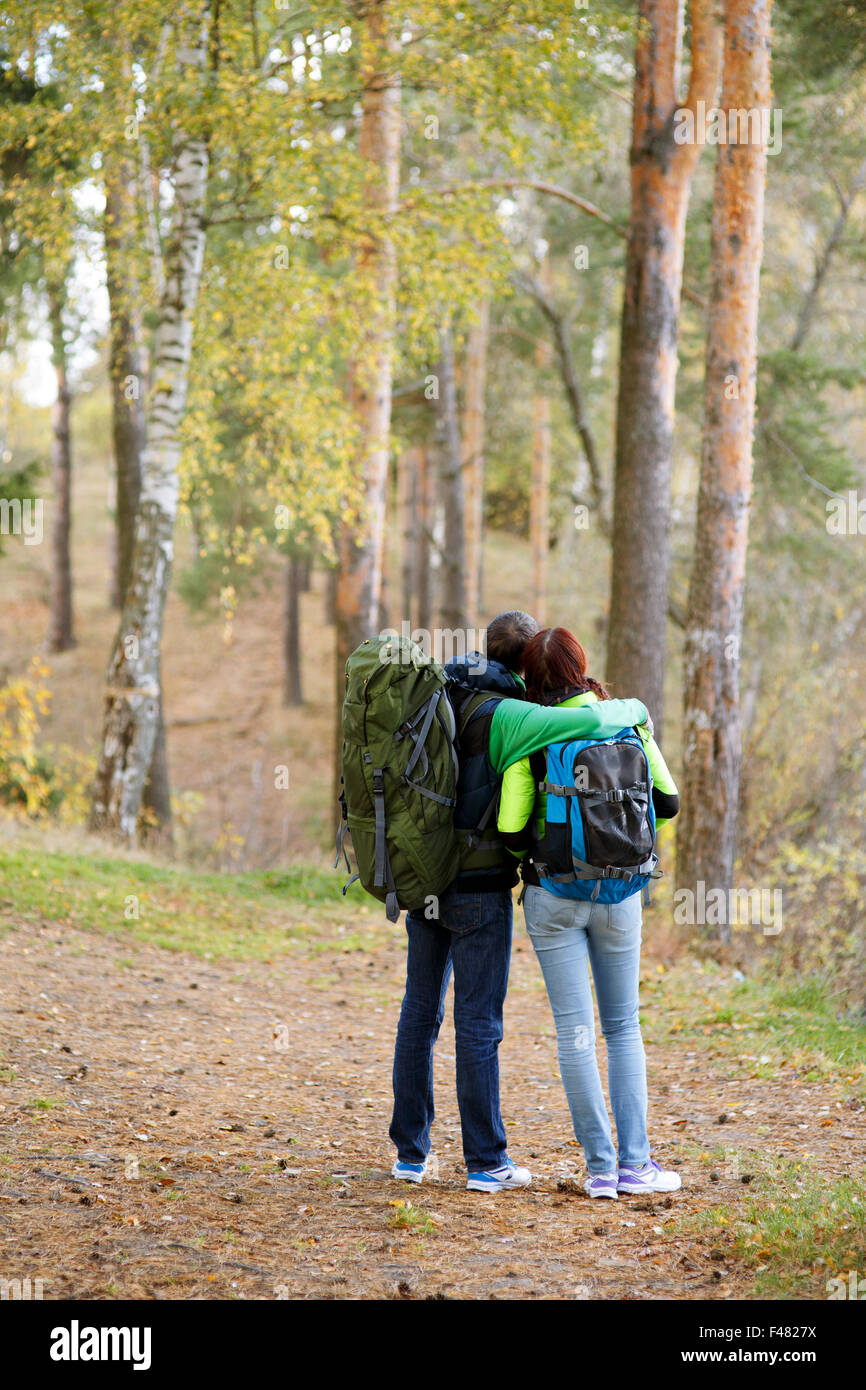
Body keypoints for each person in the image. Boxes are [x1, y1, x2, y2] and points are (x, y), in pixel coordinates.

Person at [389, 613, 652, 1193]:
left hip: (422, 877)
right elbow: (590, 717)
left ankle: (410, 1154)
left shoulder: (436, 697)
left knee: (419, 1011)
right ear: (521, 667)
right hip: (479, 888)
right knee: (478, 1022)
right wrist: (635, 711)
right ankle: (486, 1164)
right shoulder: (512, 715)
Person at [497, 626, 681, 1199]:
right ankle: (636, 1165)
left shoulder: (531, 733)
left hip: (554, 899)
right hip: (621, 898)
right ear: (581, 667)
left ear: (531, 676)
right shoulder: (624, 721)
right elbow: (668, 803)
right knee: (624, 1028)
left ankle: (600, 1170)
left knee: (574, 1033)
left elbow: (507, 831)